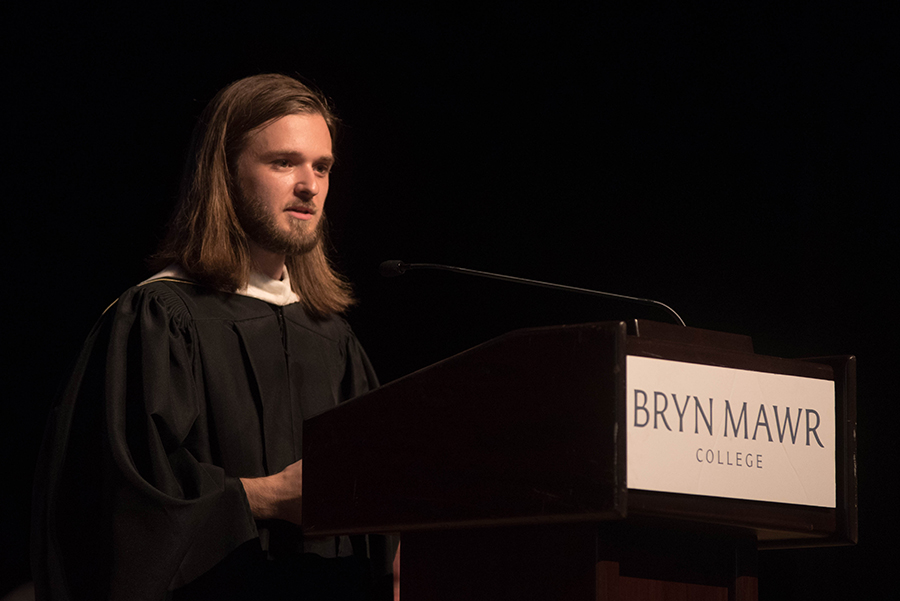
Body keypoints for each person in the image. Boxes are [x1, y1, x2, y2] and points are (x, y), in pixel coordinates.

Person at [31, 74, 395, 600]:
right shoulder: (159, 320)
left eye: (322, 166)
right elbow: (116, 507)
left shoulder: (332, 339)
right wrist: (262, 498)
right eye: (283, 162)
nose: (310, 185)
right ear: (225, 173)